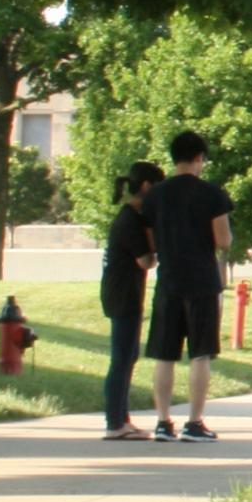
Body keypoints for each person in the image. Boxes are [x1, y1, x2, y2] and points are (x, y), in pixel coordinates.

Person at [140, 130, 233, 442]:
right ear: (199, 158)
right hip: (202, 281)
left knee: (165, 356)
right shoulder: (211, 194)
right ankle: (194, 422)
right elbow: (223, 240)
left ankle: (163, 421)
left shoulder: (155, 196)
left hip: (168, 280)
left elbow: (151, 240)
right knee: (200, 354)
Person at [97, 161, 164, 440]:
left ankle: (122, 418)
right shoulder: (130, 221)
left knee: (128, 355)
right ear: (147, 187)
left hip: (125, 292)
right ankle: (114, 423)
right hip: (122, 293)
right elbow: (145, 261)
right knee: (121, 358)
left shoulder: (132, 217)